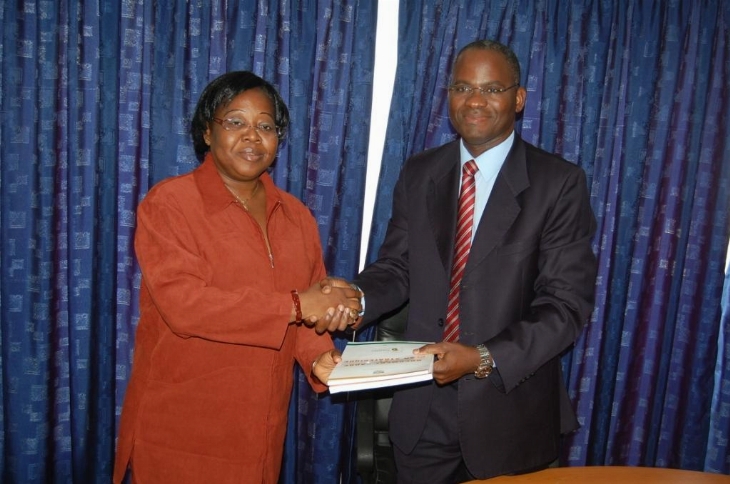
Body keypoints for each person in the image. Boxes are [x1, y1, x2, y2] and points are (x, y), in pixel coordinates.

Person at [331, 40, 598, 483]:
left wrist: (481, 358)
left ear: (518, 98)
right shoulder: (420, 173)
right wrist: (355, 298)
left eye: (491, 89)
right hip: (422, 412)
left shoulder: (558, 183)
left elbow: (565, 306)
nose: (474, 100)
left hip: (509, 414)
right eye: (462, 87)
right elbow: (398, 266)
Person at [113, 71, 361, 484]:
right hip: (182, 433)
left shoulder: (297, 216)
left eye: (266, 126)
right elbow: (184, 306)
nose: (252, 136)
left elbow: (307, 313)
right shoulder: (170, 203)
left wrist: (319, 358)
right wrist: (297, 305)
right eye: (235, 122)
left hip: (261, 434)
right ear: (207, 132)